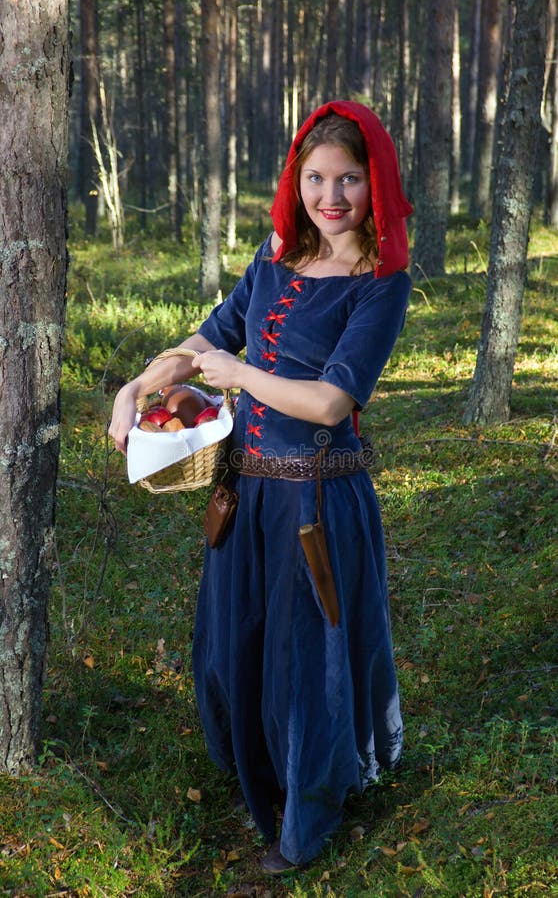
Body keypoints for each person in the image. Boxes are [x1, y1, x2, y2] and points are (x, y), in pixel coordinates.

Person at [109, 99, 413, 874]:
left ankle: (306, 823)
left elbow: (330, 401)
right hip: (244, 498)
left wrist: (244, 375)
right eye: (316, 178)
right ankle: (261, 777)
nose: (332, 197)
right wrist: (142, 381)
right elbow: (205, 338)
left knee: (303, 663)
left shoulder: (379, 284)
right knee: (234, 647)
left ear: (375, 184)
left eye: (350, 179)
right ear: (296, 180)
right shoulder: (276, 259)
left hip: (316, 504)